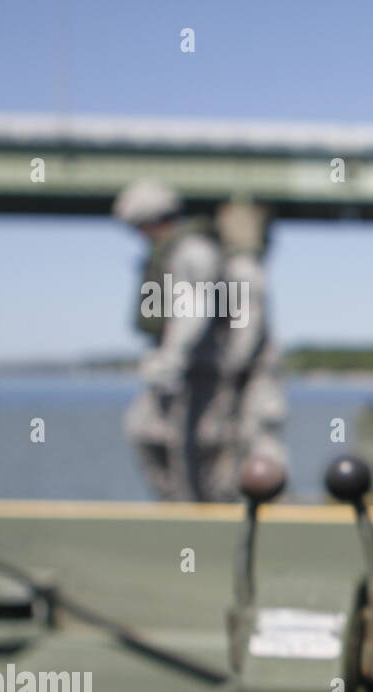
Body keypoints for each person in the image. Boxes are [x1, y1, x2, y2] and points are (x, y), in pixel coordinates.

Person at [113, 182, 286, 502]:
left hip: (214, 375)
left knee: (216, 457)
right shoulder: (193, 251)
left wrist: (171, 360)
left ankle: (202, 520)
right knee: (164, 442)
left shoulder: (194, 252)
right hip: (204, 373)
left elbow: (194, 307)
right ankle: (189, 515)